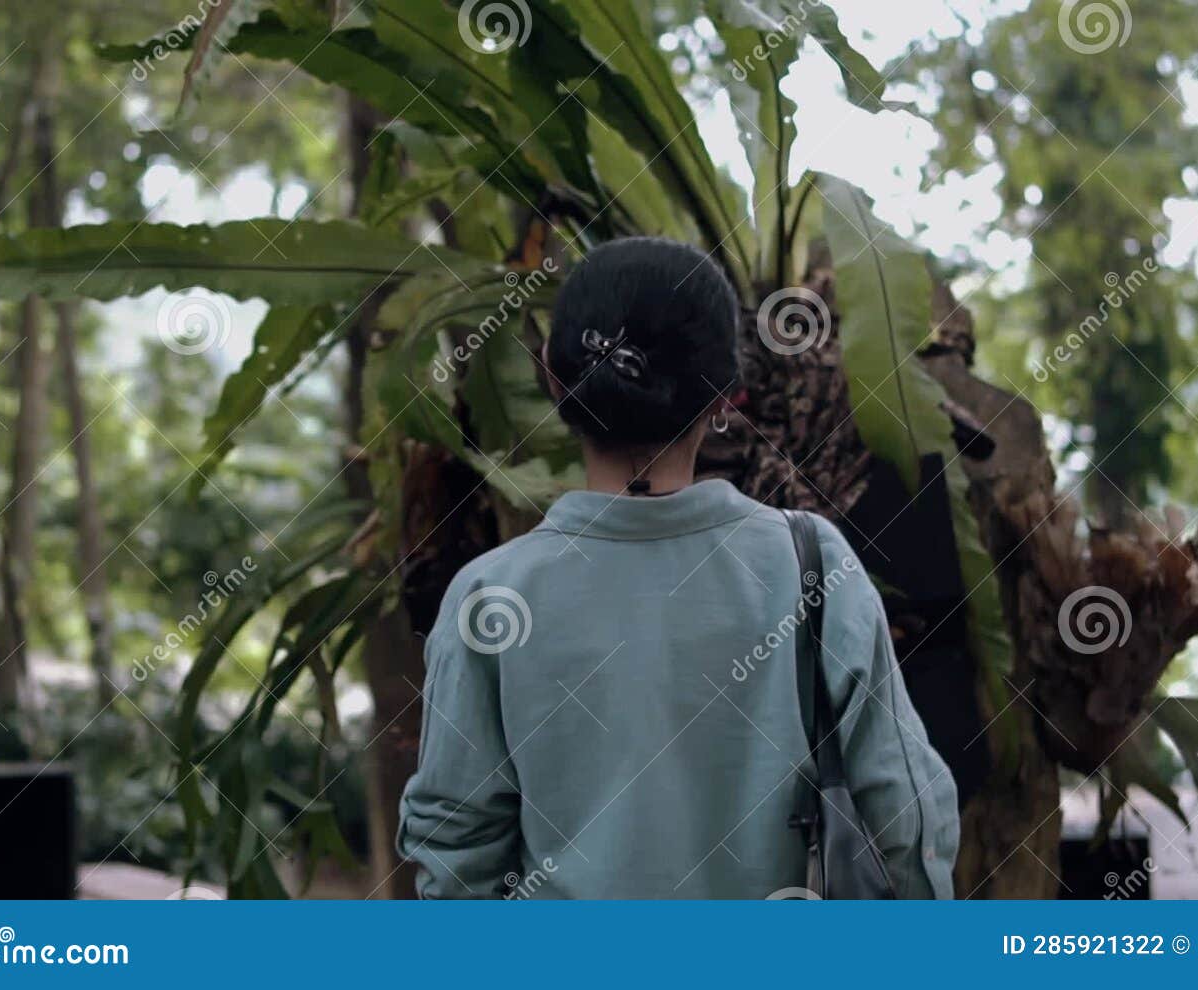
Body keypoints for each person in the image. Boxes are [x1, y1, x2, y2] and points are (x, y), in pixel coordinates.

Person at [397, 236, 958, 898]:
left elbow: (455, 850)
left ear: (552, 376)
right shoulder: (810, 562)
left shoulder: (489, 596)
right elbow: (908, 808)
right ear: (726, 393)